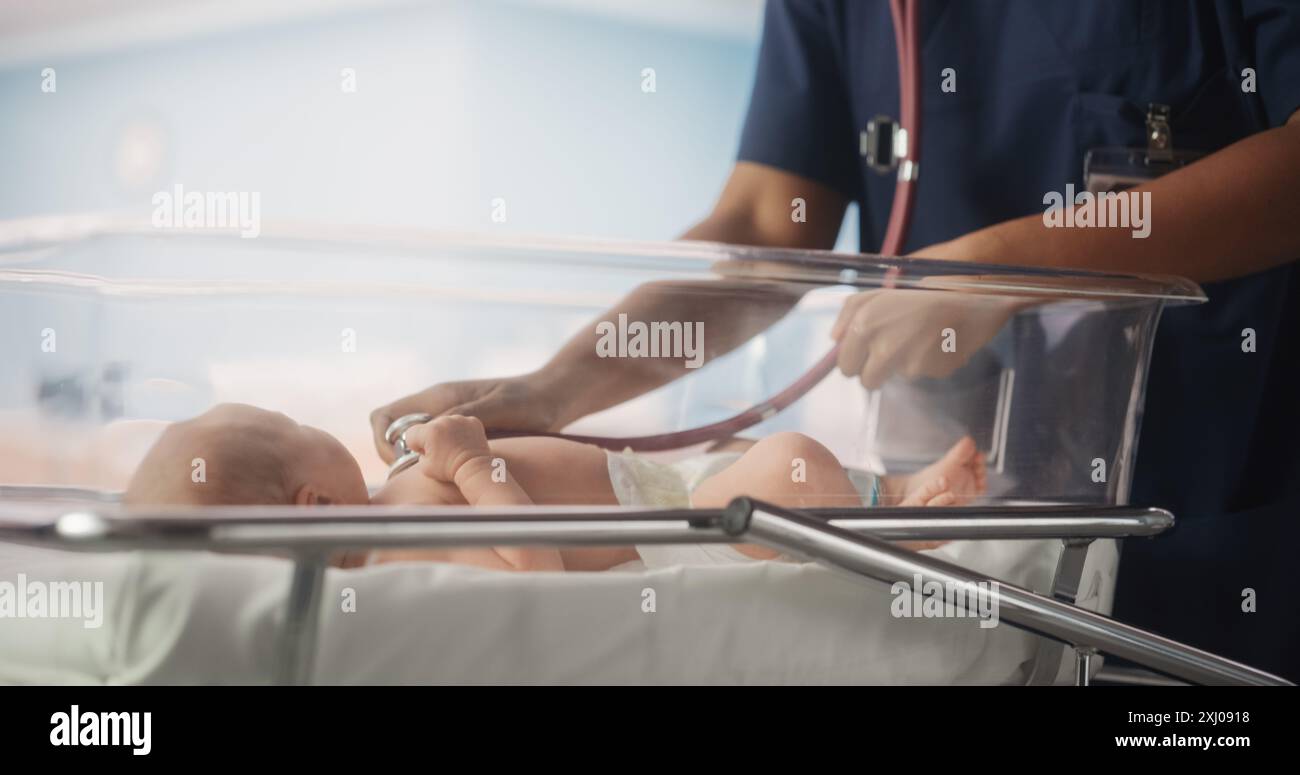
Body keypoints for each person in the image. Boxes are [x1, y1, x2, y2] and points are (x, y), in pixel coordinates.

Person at [372, 1, 1300, 679]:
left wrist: (1010, 266)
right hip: (945, 548)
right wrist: (548, 394)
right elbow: (772, 225)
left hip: (1220, 522)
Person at [126, 404, 985, 570]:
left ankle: (901, 492)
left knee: (756, 450)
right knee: (785, 466)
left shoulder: (388, 503)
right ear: (312, 502)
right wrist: (468, 462)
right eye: (305, 431)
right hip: (673, 525)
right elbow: (535, 575)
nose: (325, 425)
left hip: (655, 483)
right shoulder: (397, 552)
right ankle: (894, 540)